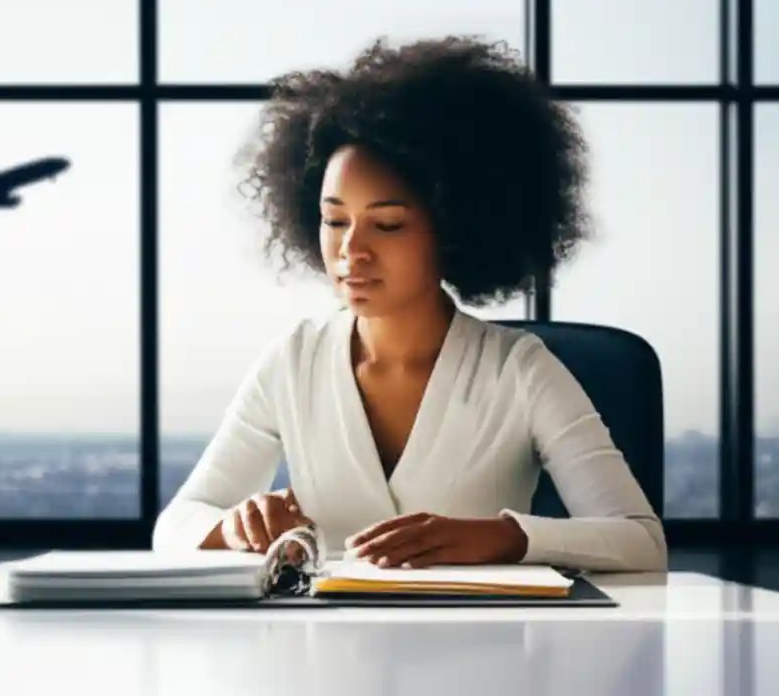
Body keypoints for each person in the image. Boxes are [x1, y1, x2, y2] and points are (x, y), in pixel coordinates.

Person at [153, 35, 667, 573]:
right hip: (321, 653)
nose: (352, 250)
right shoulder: (293, 362)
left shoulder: (521, 371)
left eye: (389, 224)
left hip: (477, 652)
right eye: (335, 220)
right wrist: (231, 526)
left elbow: (641, 542)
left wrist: (502, 538)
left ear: (453, 228)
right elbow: (175, 525)